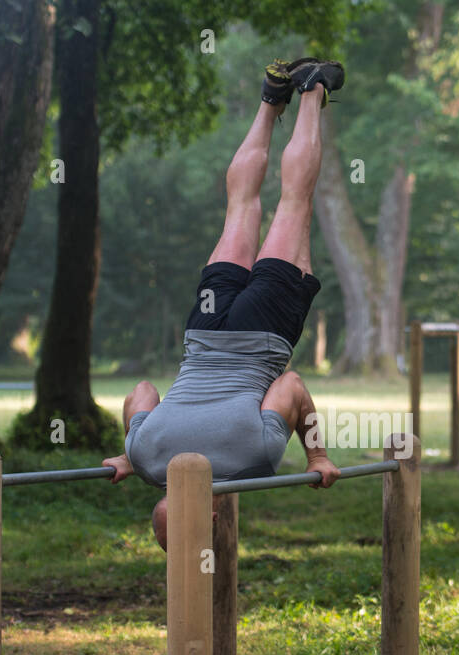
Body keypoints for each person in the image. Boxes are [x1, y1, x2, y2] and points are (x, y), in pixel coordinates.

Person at [102, 58, 346, 549]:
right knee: (240, 204)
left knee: (294, 200)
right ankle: (270, 98)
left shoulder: (255, 460)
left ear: (215, 520)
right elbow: (142, 392)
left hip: (264, 330)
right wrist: (130, 453)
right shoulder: (149, 458)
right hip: (206, 328)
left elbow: (292, 387)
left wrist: (316, 456)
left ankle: (313, 88)